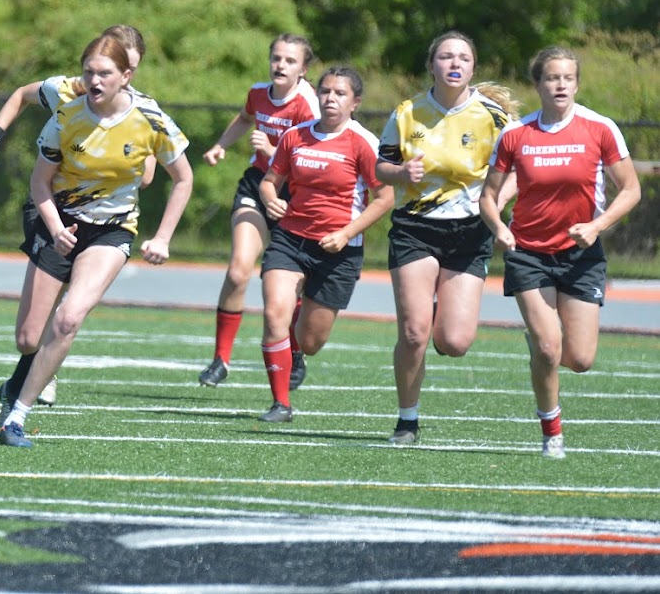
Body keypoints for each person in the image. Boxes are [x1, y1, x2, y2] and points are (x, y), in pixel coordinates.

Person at [0, 34, 192, 447]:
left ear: (127, 75)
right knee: (28, 338)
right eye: (89, 71)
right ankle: (16, 383)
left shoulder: (151, 118)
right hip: (60, 221)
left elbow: (184, 179)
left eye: (105, 73)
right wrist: (54, 229)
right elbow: (39, 182)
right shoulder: (66, 115)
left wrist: (163, 237)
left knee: (69, 317)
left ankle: (17, 416)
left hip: (113, 228)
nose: (95, 79)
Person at [0, 25, 154, 421]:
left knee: (69, 311)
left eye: (132, 70)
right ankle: (34, 364)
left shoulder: (138, 110)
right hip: (49, 206)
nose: (127, 78)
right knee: (30, 333)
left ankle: (29, 383)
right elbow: (21, 95)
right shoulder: (67, 89)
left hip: (105, 219)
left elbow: (150, 173)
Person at [479, 46, 640, 460]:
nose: (561, 84)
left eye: (568, 77)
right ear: (538, 84)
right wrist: (498, 227)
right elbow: (489, 196)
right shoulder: (516, 135)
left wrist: (596, 226)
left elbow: (631, 189)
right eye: (552, 77)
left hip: (582, 254)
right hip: (528, 252)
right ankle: (552, 431)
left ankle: (540, 345)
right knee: (550, 347)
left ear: (577, 83)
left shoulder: (599, 128)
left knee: (580, 359)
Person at [375, 30, 520, 445]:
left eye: (463, 58)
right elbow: (380, 167)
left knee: (454, 342)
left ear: (473, 67)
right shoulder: (407, 113)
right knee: (414, 333)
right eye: (445, 57)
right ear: (431, 65)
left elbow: (518, 172)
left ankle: (436, 308)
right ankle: (407, 420)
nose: (454, 64)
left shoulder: (494, 116)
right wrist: (401, 174)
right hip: (415, 229)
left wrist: (494, 209)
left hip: (470, 233)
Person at [254, 66, 394, 424]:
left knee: (312, 341)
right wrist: (269, 198)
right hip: (289, 238)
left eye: (340, 94)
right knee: (274, 314)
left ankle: (297, 345)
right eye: (326, 91)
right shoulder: (295, 136)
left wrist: (346, 233)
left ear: (355, 102)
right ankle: (280, 403)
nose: (331, 99)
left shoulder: (363, 142)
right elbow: (270, 180)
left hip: (338, 250)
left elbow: (385, 198)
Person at [198, 34, 319, 389]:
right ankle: (220, 358)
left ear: (304, 69)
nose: (281, 65)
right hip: (257, 184)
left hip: (294, 194)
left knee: (289, 286)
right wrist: (221, 145)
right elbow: (244, 117)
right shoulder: (258, 93)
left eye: (290, 60)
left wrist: (270, 148)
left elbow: (311, 161)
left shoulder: (307, 104)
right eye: (276, 58)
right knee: (238, 271)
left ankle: (293, 352)